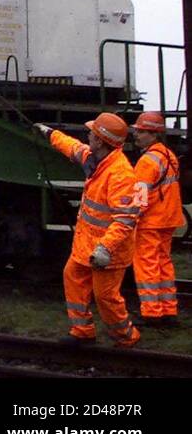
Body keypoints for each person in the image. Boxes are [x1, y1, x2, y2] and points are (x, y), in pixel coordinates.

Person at [34, 113, 140, 348]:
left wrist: (105, 248)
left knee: (106, 297)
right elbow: (71, 147)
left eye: (92, 132)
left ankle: (126, 337)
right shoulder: (95, 159)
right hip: (87, 245)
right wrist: (50, 133)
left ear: (101, 140)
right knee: (72, 277)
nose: (88, 134)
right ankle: (82, 331)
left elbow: (125, 220)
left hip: (107, 252)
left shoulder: (121, 174)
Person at [131, 111, 182, 327]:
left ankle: (152, 313)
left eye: (141, 131)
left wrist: (130, 220)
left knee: (147, 265)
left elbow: (140, 198)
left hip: (151, 222)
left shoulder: (147, 161)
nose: (136, 135)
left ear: (153, 134)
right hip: (168, 219)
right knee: (164, 264)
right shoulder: (169, 155)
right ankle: (169, 311)